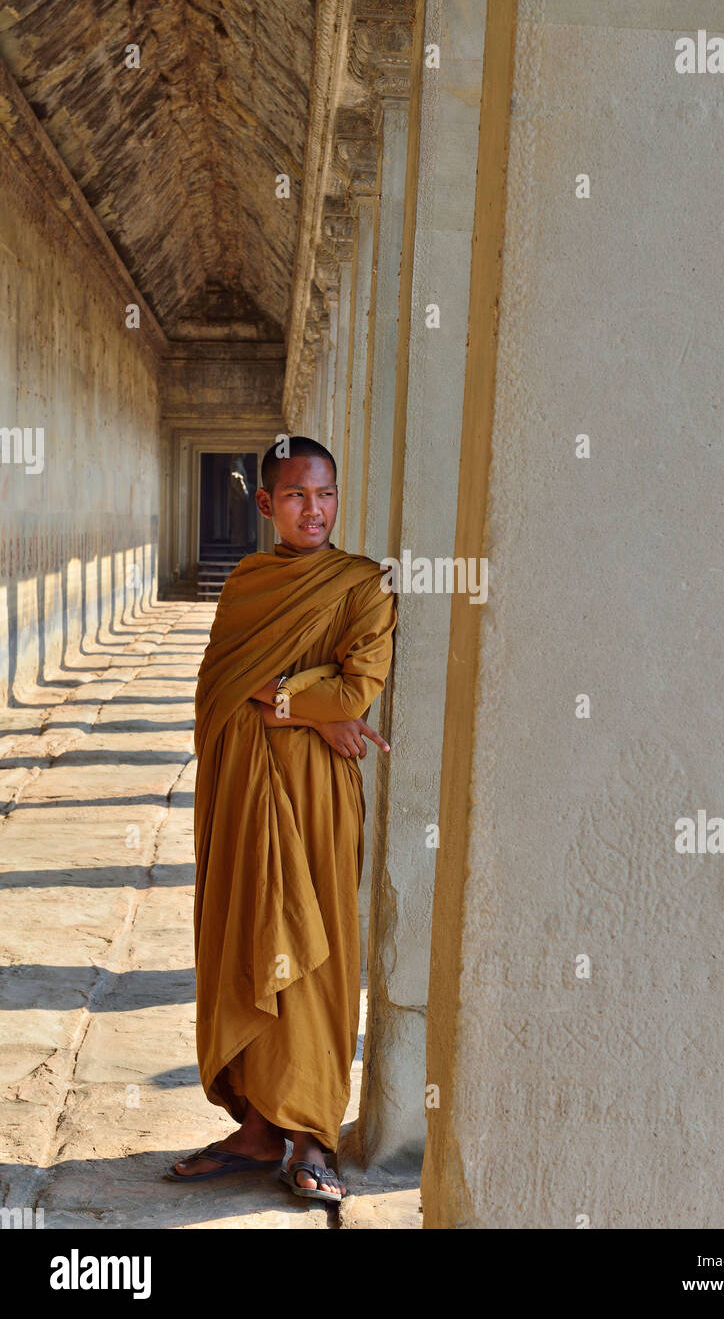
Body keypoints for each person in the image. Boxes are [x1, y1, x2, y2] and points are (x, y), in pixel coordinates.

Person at [166, 436, 397, 1203]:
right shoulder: (247, 584)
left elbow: (354, 693)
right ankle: (258, 1128)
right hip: (243, 789)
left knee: (317, 947)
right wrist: (302, 699)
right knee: (245, 934)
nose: (314, 509)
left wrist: (276, 695)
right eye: (296, 495)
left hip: (319, 797)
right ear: (265, 504)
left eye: (325, 493)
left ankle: (310, 1134)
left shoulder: (362, 584)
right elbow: (215, 686)